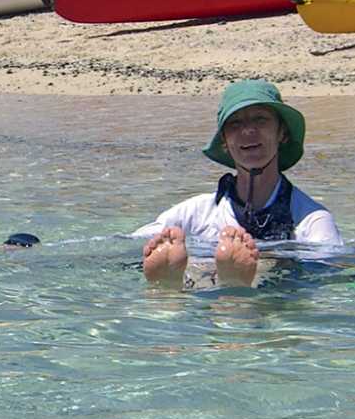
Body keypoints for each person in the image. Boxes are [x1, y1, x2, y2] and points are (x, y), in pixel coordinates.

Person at [134, 80, 343, 289]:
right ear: (224, 140)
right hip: (211, 285)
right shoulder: (193, 213)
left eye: (260, 119)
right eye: (235, 123)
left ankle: (218, 287)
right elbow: (130, 245)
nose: (247, 131)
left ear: (283, 133)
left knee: (272, 269)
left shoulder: (311, 219)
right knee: (198, 270)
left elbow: (327, 274)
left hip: (269, 303)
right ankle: (174, 289)